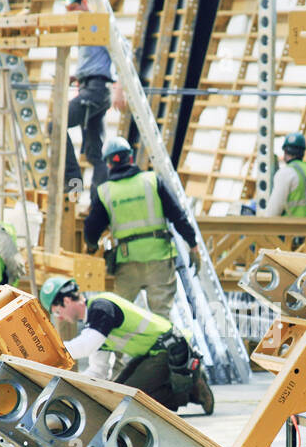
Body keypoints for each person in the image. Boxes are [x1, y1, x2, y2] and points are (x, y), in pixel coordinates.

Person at [40, 276, 213, 415]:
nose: (60, 318)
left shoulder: (102, 307)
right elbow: (98, 371)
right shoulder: (93, 325)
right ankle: (185, 386)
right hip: (153, 354)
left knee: (129, 400)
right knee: (116, 396)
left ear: (67, 301)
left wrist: (49, 351)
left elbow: (86, 346)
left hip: (170, 349)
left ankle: (191, 389)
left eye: (57, 312)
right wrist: (74, 389)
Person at [84, 137, 201, 322]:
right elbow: (178, 216)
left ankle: (124, 351)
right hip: (159, 259)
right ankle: (161, 350)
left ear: (108, 164)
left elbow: (91, 230)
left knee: (121, 318)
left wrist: (91, 246)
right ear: (130, 158)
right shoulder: (152, 181)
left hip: (127, 261)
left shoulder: (105, 191)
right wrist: (192, 244)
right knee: (161, 319)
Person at [61, 0, 115, 201]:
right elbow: (94, 61)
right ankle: (97, 201)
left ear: (83, 2)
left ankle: (73, 185)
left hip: (95, 90)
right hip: (91, 87)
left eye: (73, 8)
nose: (70, 14)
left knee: (56, 123)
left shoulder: (97, 24)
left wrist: (119, 86)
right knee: (95, 152)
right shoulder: (85, 28)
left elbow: (120, 53)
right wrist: (78, 75)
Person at [260, 131, 306, 218]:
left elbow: (273, 212)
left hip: (291, 229)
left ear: (285, 151)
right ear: (303, 152)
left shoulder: (285, 173)